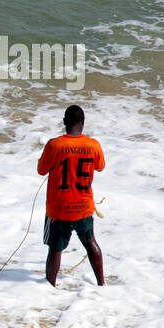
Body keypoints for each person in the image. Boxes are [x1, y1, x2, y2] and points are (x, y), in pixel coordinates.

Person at [37, 104, 105, 286]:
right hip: (84, 208)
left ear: (64, 122)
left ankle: (50, 287)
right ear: (82, 123)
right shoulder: (93, 145)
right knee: (91, 243)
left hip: (60, 210)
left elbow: (41, 170)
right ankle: (101, 284)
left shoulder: (55, 145)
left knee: (55, 250)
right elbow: (100, 166)